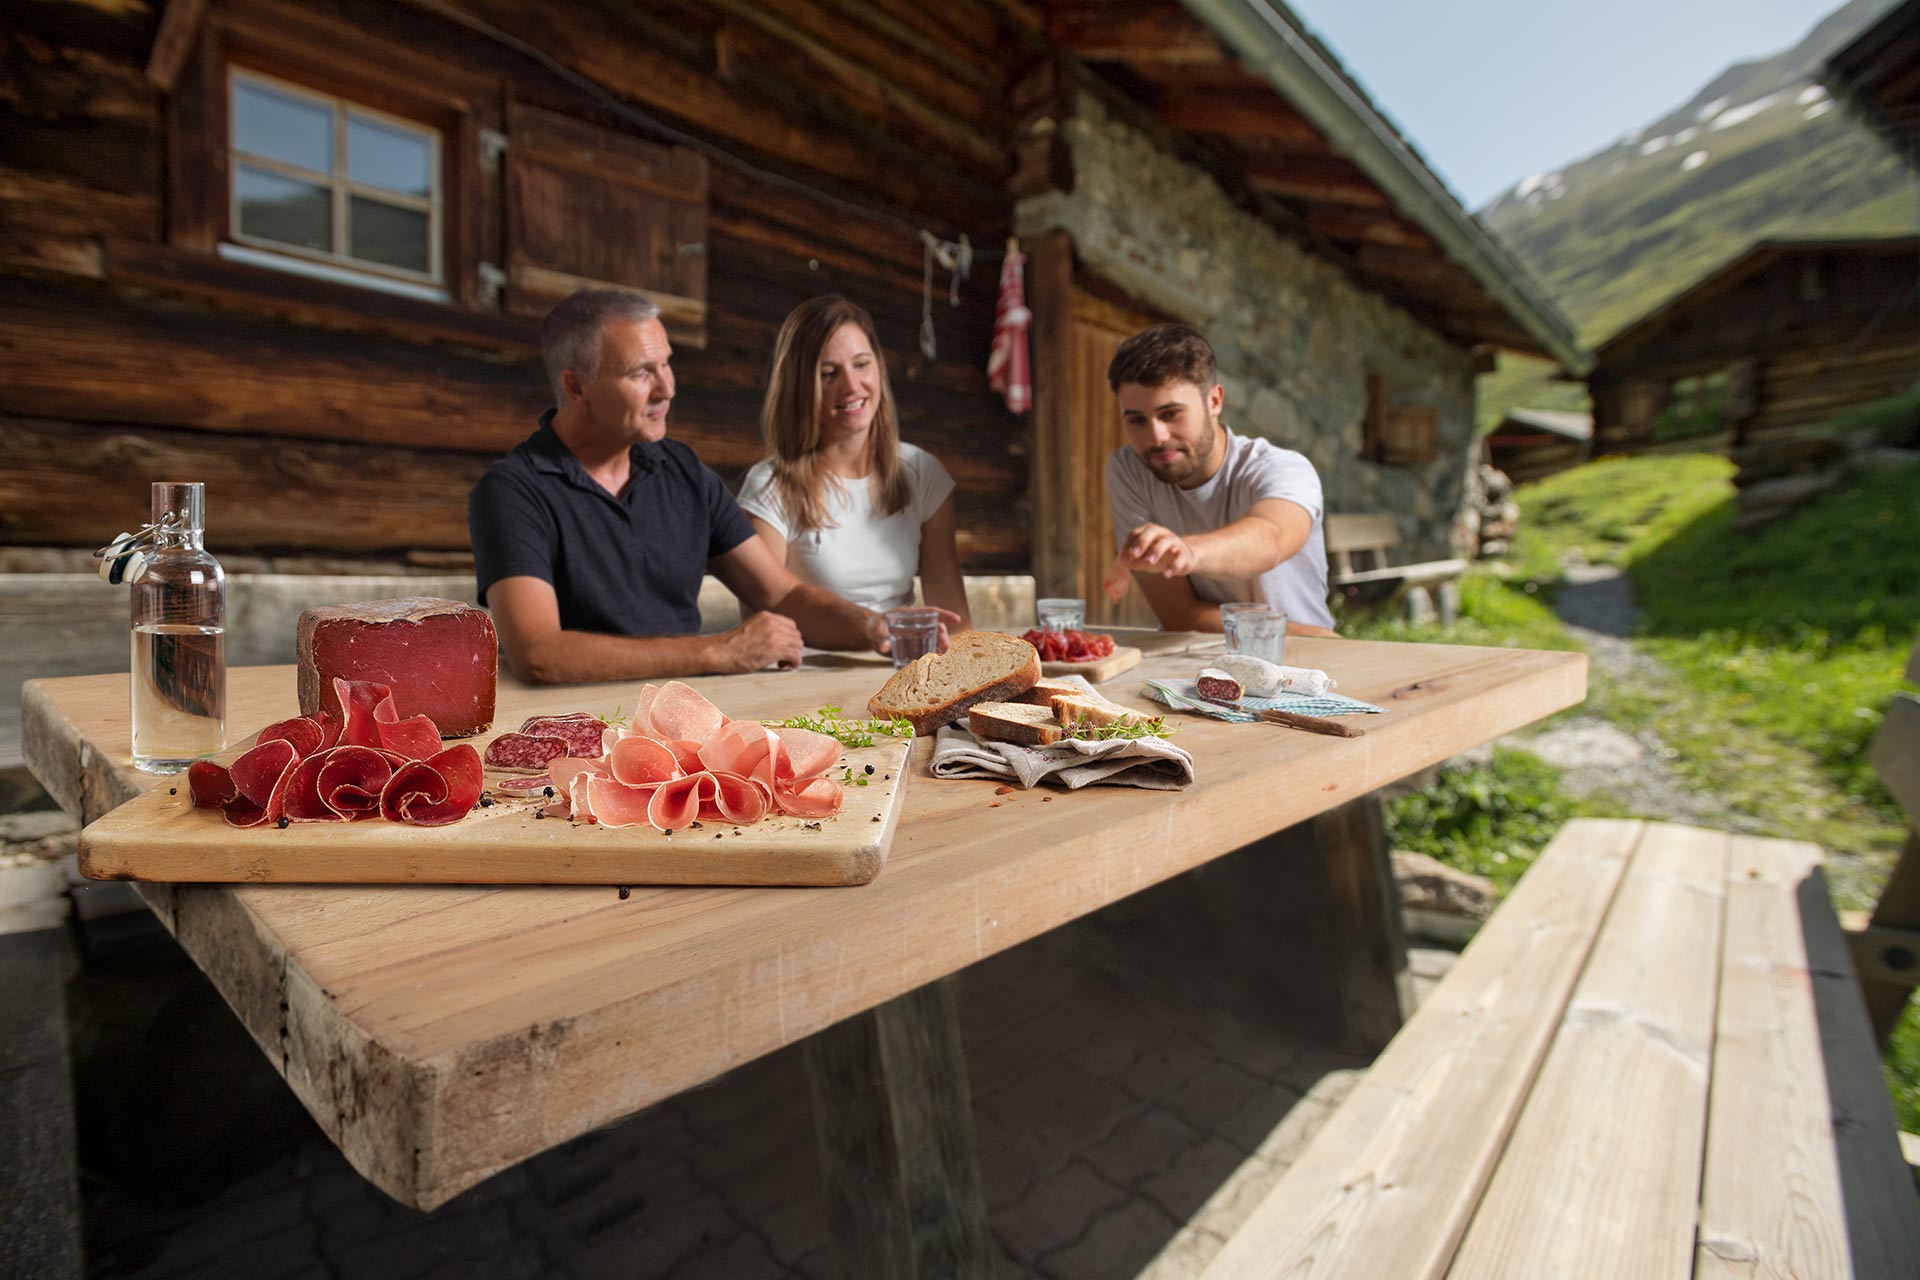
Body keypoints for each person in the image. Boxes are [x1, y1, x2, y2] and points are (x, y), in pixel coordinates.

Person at [469, 289, 937, 683]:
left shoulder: (683, 470)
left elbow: (779, 593)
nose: (666, 388)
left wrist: (871, 624)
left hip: (683, 713)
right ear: (576, 388)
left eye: (666, 365)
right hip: (574, 730)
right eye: (640, 373)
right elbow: (538, 653)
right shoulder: (511, 491)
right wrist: (719, 653)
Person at [735, 295, 972, 629]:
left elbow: (955, 620)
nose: (851, 386)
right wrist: (875, 629)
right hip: (805, 677)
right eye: (829, 373)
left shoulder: (923, 473)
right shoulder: (769, 487)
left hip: (903, 669)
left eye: (861, 364)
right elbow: (765, 626)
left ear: (878, 367)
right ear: (800, 386)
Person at [1100, 324, 1338, 634]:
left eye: (1171, 414)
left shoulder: (1284, 468)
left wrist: (1187, 552)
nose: (1156, 437)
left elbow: (1271, 539)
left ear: (1214, 401)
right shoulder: (1128, 470)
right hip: (1194, 658)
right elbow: (1180, 616)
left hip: (1302, 657)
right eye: (1137, 420)